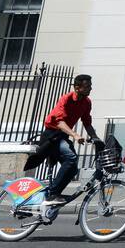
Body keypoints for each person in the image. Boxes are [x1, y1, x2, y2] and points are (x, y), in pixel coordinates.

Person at [39, 75, 100, 212]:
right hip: (51, 135)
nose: (90, 88)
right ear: (77, 88)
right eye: (87, 86)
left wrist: (96, 138)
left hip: (63, 136)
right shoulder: (66, 99)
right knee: (71, 158)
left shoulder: (86, 102)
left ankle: (53, 194)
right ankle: (52, 195)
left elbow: (87, 123)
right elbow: (59, 122)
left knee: (73, 168)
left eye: (90, 85)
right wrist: (75, 135)